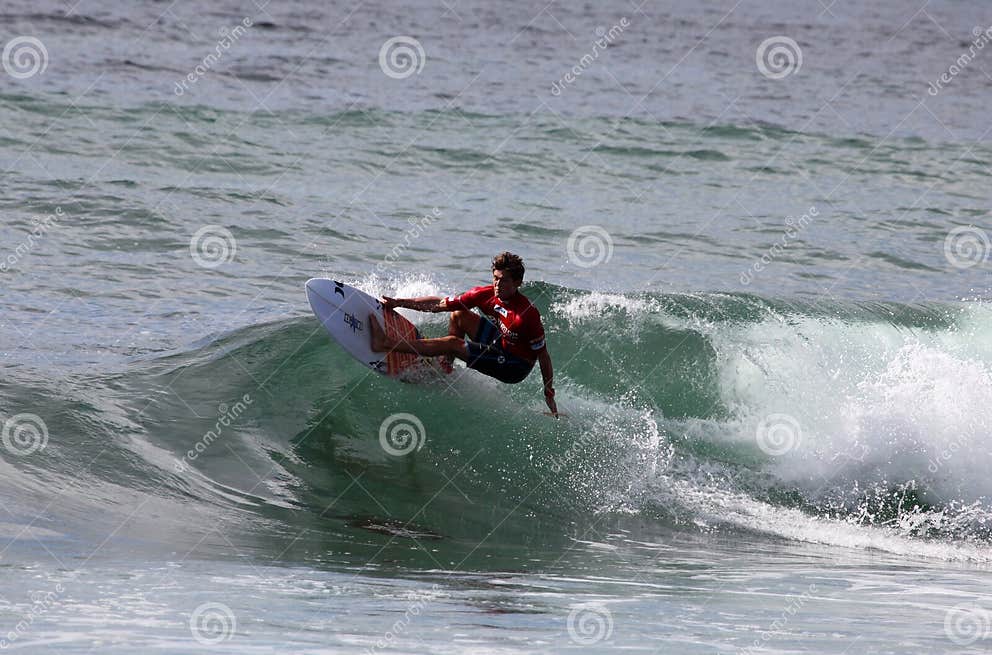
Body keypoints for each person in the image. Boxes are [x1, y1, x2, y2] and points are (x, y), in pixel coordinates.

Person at [368, 252, 559, 417]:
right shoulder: (486, 294)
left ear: (517, 283)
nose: (497, 284)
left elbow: (543, 355)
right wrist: (399, 302)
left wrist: (548, 392)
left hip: (515, 366)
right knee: (458, 314)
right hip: (502, 343)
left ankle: (385, 343)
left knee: (452, 343)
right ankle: (446, 367)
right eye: (495, 278)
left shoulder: (526, 315)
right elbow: (440, 304)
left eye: (504, 280)